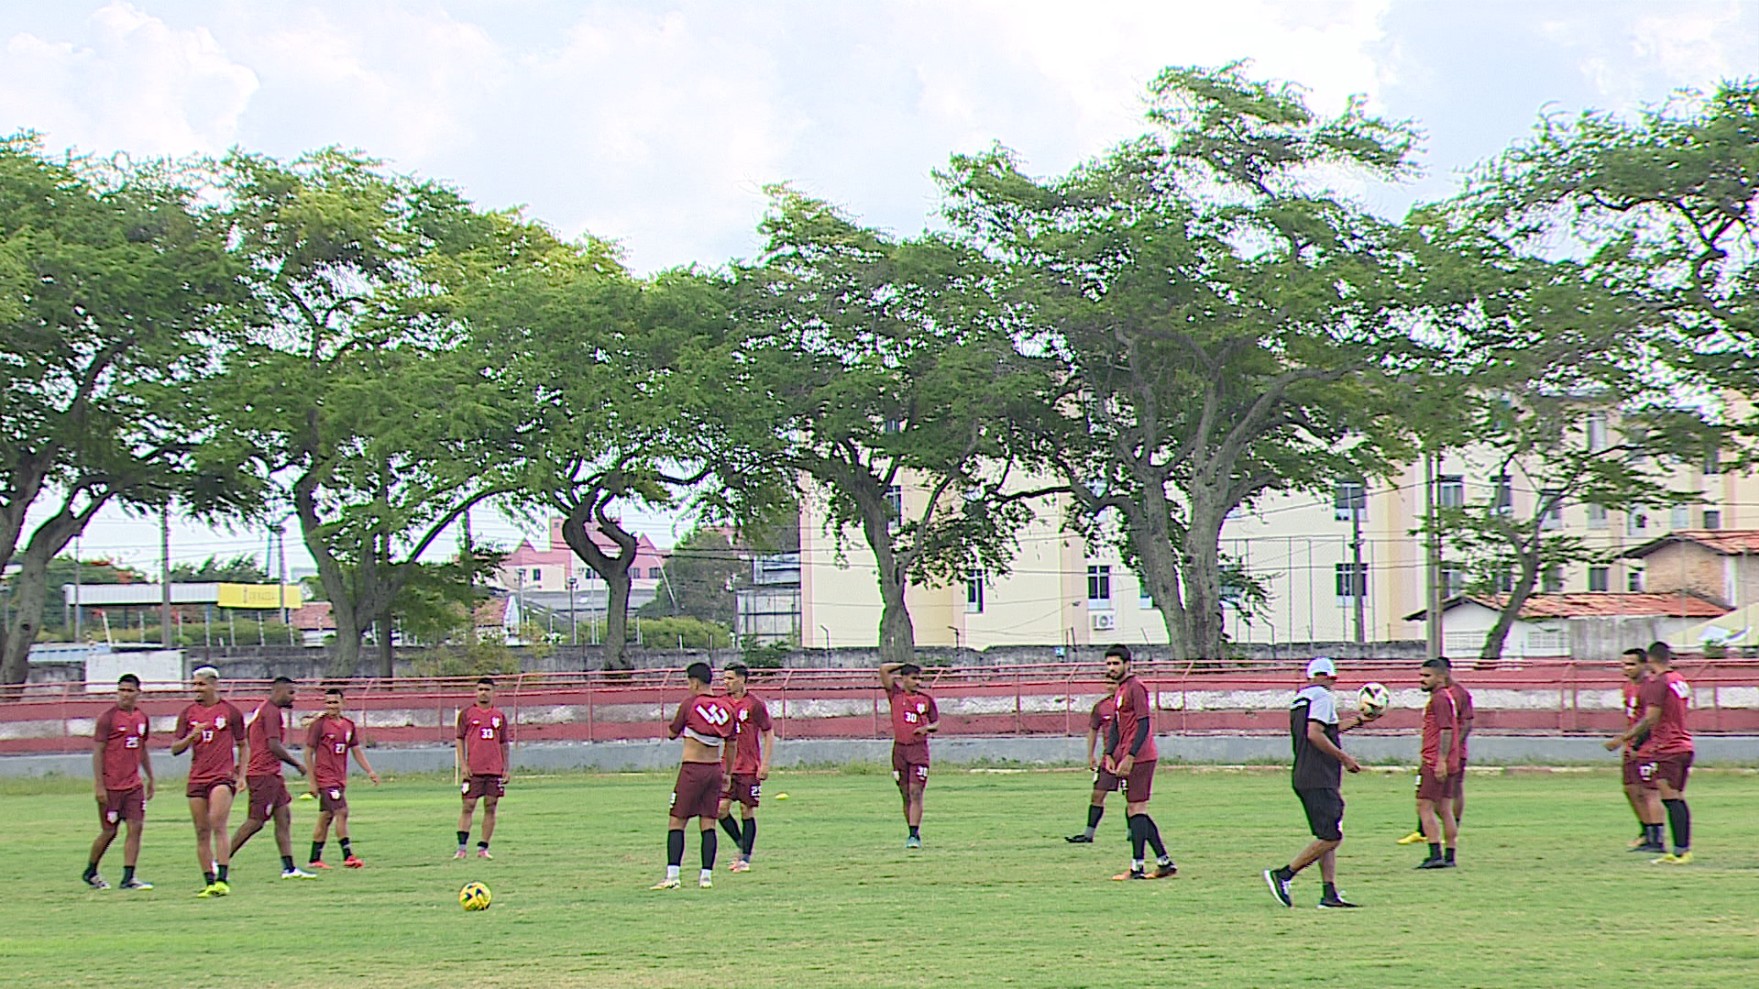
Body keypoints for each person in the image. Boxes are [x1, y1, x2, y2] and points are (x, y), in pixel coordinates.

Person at [1264, 657, 1378, 909]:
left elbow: (1327, 730)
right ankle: (1284, 874)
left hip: (1305, 774)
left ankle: (1329, 893)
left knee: (1326, 834)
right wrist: (1344, 758)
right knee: (1331, 837)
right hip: (1319, 775)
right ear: (1330, 677)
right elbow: (1315, 734)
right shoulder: (1323, 697)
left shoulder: (1301, 699)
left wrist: (1359, 720)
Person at [652, 662, 736, 890]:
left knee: (677, 821)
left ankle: (673, 876)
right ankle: (706, 877)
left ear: (695, 682)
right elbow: (731, 744)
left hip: (692, 769)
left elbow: (672, 733)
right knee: (708, 823)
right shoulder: (726, 708)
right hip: (714, 770)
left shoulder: (690, 704)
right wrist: (727, 773)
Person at [1616, 641, 1695, 864]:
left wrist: (1627, 740)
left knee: (1670, 798)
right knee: (1672, 797)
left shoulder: (1659, 682)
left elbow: (1650, 719)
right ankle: (1679, 849)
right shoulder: (1677, 678)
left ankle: (1680, 851)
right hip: (1681, 743)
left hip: (1667, 746)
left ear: (1649, 660)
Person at [171, 666, 248, 897]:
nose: (197, 689)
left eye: (201, 684)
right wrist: (191, 736)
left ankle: (223, 878)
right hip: (197, 777)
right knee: (201, 830)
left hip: (221, 776)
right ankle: (209, 881)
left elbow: (243, 745)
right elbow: (175, 749)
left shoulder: (230, 712)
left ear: (214, 685)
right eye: (194, 684)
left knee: (217, 822)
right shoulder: (187, 714)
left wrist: (242, 775)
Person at [1101, 644, 1175, 880]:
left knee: (1136, 808)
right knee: (1135, 810)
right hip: (1127, 755)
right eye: (1108, 664)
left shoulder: (1136, 688)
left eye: (1116, 663)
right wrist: (1109, 753)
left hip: (1141, 757)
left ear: (1127, 664)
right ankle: (1163, 862)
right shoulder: (1121, 690)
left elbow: (1144, 723)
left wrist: (1131, 755)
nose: (1111, 668)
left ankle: (1137, 867)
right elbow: (1116, 725)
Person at [229, 677, 316, 880]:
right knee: (256, 821)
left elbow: (250, 734)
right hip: (263, 774)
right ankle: (220, 861)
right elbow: (273, 746)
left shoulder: (263, 710)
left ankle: (289, 868)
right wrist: (297, 765)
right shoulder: (271, 712)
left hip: (272, 773)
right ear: (278, 691)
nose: (294, 697)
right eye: (290, 692)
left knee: (283, 818)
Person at [85, 673, 156, 890]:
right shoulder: (108, 718)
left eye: (129, 691)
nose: (125, 695)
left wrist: (150, 777)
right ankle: (91, 871)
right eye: (121, 690)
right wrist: (99, 785)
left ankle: (128, 877)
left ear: (138, 693)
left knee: (136, 827)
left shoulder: (142, 718)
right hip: (111, 785)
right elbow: (98, 751)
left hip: (133, 785)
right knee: (109, 831)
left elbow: (142, 748)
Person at [304, 687, 380, 870]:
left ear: (343, 703)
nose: (331, 706)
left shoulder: (348, 725)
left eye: (335, 702)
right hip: (326, 778)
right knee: (342, 811)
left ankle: (314, 859)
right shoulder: (319, 725)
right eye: (328, 703)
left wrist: (370, 771)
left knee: (326, 817)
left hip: (339, 779)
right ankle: (348, 856)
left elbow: (356, 751)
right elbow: (308, 753)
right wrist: (312, 781)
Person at [1603, 647, 1665, 852]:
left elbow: (1650, 721)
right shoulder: (1628, 687)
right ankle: (1645, 831)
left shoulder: (1651, 687)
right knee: (1630, 789)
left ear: (1644, 665)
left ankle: (1656, 837)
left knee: (1649, 791)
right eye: (1624, 664)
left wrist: (1633, 743)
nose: (1626, 668)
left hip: (1647, 745)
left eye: (1631, 664)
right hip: (1631, 744)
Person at [716, 663, 775, 872]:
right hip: (727, 767)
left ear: (741, 679)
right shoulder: (721, 703)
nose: (726, 682)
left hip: (749, 767)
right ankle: (742, 845)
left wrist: (765, 763)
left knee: (746, 810)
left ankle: (745, 859)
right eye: (724, 678)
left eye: (730, 678)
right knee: (720, 809)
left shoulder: (754, 704)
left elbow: (768, 733)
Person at [879, 660, 939, 849]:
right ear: (904, 678)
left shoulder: (925, 700)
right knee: (905, 793)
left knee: (916, 791)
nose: (918, 682)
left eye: (919, 678)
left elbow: (936, 722)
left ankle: (914, 835)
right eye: (913, 678)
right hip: (899, 750)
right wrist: (905, 664)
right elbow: (884, 670)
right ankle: (912, 831)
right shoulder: (895, 695)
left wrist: (927, 728)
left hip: (918, 750)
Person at [456, 676, 512, 860]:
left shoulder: (499, 716)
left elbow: (504, 742)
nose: (483, 693)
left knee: (491, 805)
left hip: (494, 769)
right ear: (475, 692)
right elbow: (459, 739)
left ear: (493, 693)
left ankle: (483, 848)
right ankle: (462, 848)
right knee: (468, 805)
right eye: (480, 689)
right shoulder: (467, 714)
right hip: (474, 769)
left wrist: (506, 767)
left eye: (487, 690)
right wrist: (463, 764)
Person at [1413, 657, 1460, 869]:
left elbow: (1446, 730)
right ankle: (1450, 855)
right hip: (1448, 760)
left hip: (1434, 761)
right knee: (1444, 808)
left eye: (1427, 676)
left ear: (1440, 678)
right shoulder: (1445, 697)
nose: (1421, 680)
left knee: (1424, 805)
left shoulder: (1439, 699)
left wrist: (1440, 760)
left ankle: (1435, 854)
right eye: (1421, 675)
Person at [1065, 691, 1117, 843]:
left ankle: (1133, 833)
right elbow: (1093, 730)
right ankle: (1088, 834)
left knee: (1133, 799)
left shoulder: (1131, 704)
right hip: (1109, 758)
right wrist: (1090, 755)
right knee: (1097, 794)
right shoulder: (1101, 706)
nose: (1111, 686)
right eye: (1108, 683)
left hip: (1129, 756)